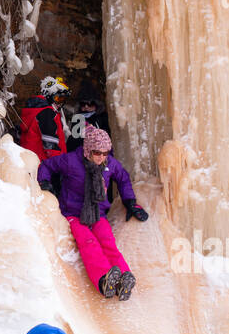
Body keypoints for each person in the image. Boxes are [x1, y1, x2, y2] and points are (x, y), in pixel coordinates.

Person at [37, 125, 148, 301]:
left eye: (105, 153)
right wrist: (44, 182)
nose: (102, 157)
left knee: (107, 241)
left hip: (98, 212)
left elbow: (123, 178)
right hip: (73, 213)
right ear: (88, 150)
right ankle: (104, 279)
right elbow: (47, 165)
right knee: (88, 242)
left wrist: (130, 202)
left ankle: (124, 277)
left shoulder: (109, 163)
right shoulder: (71, 161)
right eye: (98, 153)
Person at [18, 76, 69, 161]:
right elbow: (50, 145)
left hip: (32, 161)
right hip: (43, 164)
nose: (60, 103)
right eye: (57, 98)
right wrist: (59, 164)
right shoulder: (47, 113)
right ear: (48, 96)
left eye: (62, 99)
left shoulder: (36, 110)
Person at [65, 82, 110, 153]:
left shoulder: (102, 117)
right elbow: (74, 139)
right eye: (83, 104)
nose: (86, 106)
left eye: (90, 103)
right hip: (82, 153)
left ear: (96, 104)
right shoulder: (78, 118)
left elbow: (108, 136)